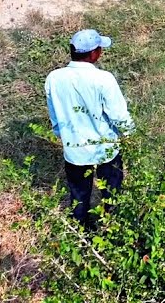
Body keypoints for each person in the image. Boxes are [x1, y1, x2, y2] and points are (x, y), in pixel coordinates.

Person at [45, 29, 134, 227]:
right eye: (99, 48)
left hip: (74, 149)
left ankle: (81, 232)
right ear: (94, 53)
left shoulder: (54, 78)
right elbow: (118, 115)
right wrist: (130, 135)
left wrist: (62, 135)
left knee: (78, 194)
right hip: (106, 148)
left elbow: (55, 115)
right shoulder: (104, 79)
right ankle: (111, 225)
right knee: (111, 192)